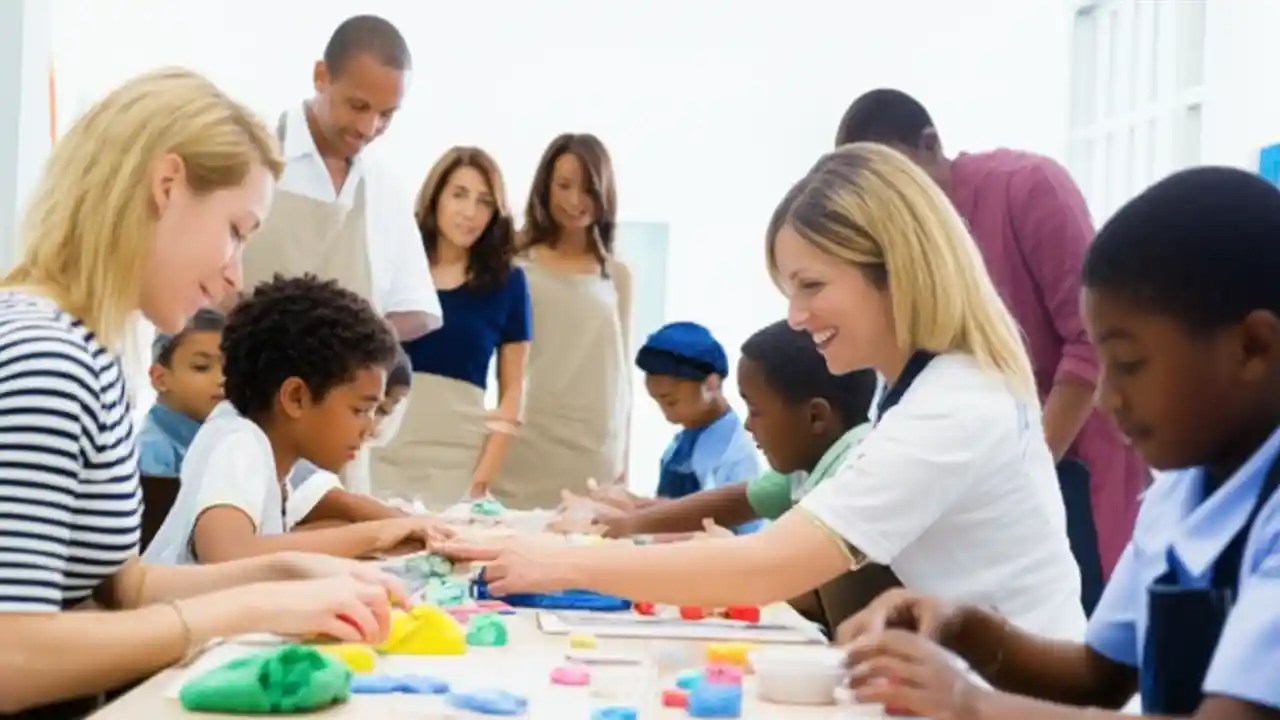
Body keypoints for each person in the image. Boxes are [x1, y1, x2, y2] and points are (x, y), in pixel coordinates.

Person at [449, 144, 1085, 641]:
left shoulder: (954, 405)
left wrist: (562, 561)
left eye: (811, 285)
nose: (797, 317)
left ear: (894, 270)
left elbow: (769, 566)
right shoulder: (916, 387)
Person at [0, 67, 404, 717]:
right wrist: (240, 609)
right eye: (237, 230)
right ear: (167, 186)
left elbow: (120, 587)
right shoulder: (47, 357)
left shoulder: (88, 355)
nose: (234, 274)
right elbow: (8, 657)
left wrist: (285, 574)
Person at [837, 166, 1280, 720]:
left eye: (1129, 364)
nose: (1105, 397)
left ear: (1253, 348)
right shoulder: (1182, 495)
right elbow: (1098, 677)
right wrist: (961, 626)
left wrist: (973, 705)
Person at [835, 89, 1147, 580]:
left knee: (1074, 632)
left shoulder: (1028, 187)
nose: (893, 202)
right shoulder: (905, 240)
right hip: (981, 471)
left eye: (898, 178)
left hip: (1071, 452)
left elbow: (1090, 341)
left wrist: (1029, 468)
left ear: (930, 144)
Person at [557, 320, 896, 632]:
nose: (748, 425)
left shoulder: (855, 468)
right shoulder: (808, 460)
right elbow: (737, 500)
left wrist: (732, 554)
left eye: (757, 411)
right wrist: (628, 523)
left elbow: (814, 582)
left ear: (815, 418)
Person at [237, 15, 442, 493]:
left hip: (338, 443)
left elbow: (417, 310)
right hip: (248, 418)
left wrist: (348, 350)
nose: (370, 127)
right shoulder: (252, 160)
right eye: (358, 105)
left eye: (387, 115)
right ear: (320, 77)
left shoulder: (384, 188)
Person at [147, 275, 450, 566]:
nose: (369, 429)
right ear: (295, 398)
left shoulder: (272, 452)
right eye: (360, 410)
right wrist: (373, 536)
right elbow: (226, 552)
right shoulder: (239, 442)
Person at [372, 147, 531, 506]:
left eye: (485, 202)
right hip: (383, 444)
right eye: (459, 194)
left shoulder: (508, 283)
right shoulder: (395, 263)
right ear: (436, 196)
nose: (470, 213)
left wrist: (481, 480)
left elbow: (513, 390)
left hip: (459, 456)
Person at [494, 133, 632, 509]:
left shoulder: (615, 274)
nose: (575, 201)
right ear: (545, 187)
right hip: (526, 443)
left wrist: (625, 464)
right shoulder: (515, 264)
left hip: (594, 449)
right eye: (564, 186)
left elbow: (623, 381)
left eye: (588, 188)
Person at [138, 308, 227, 478]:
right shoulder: (153, 454)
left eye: (229, 368)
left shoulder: (224, 441)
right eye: (201, 367)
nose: (222, 379)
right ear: (160, 379)